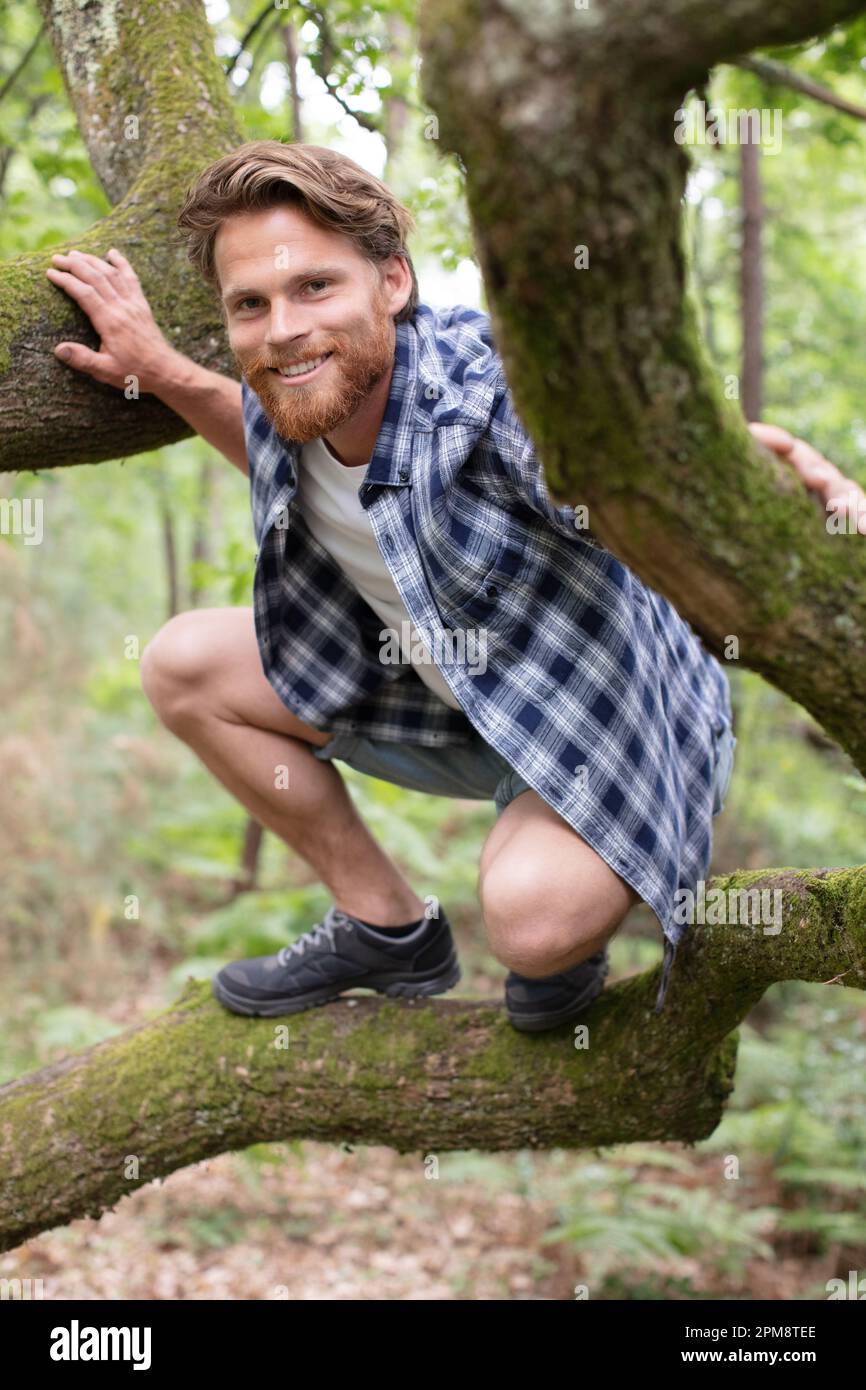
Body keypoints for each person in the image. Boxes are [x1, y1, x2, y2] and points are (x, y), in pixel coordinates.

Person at [44, 140, 866, 1032]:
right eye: (252, 304)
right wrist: (158, 369)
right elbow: (279, 455)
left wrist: (759, 470)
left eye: (315, 287)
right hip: (452, 698)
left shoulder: (486, 395)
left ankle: (573, 900)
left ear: (393, 283)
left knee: (530, 924)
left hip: (609, 720)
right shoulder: (295, 388)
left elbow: (603, 458)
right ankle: (387, 926)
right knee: (182, 663)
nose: (281, 328)